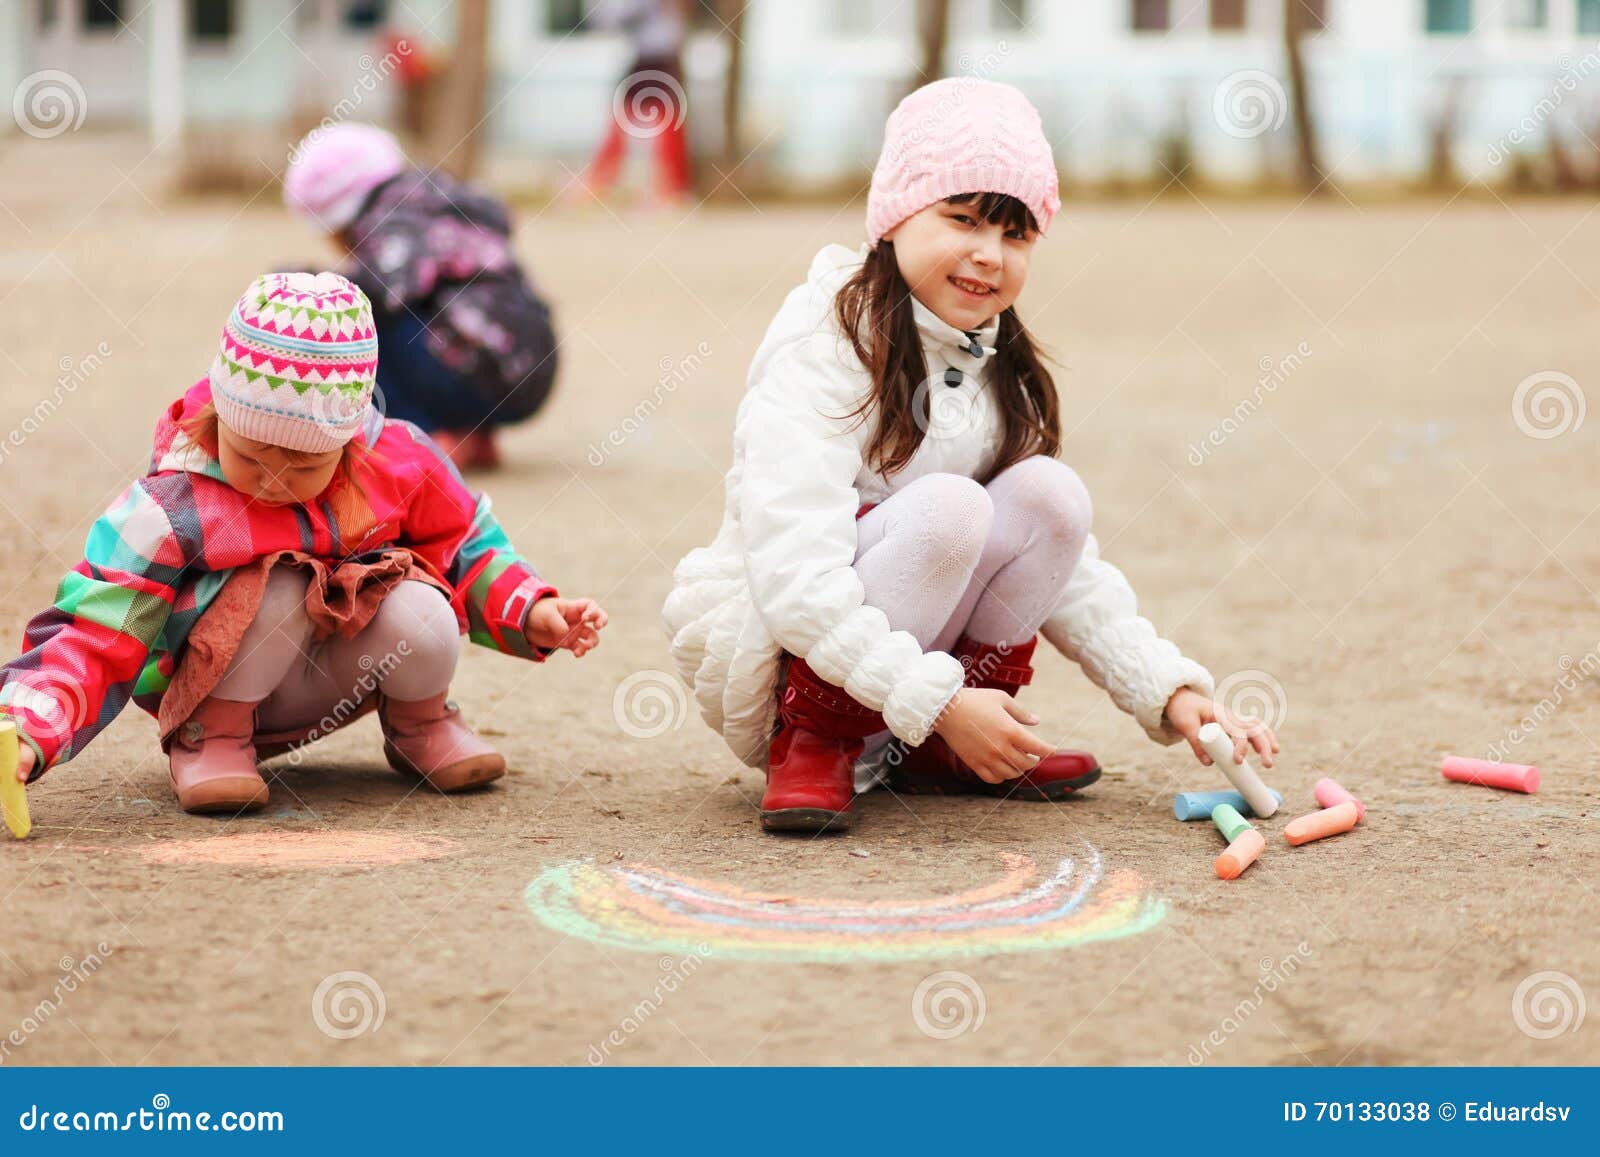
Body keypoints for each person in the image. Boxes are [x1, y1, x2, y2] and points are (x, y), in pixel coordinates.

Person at [662, 79, 1278, 834]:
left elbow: (1064, 569)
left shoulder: (989, 359)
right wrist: (940, 701)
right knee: (950, 509)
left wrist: (1169, 689)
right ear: (895, 216)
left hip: (919, 694)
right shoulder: (824, 349)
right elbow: (794, 574)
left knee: (1052, 496)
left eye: (1016, 236)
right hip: (790, 663)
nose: (989, 255)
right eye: (963, 219)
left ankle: (941, 749)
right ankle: (819, 739)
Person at [0, 272, 606, 815]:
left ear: (347, 442)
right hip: (216, 682)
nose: (273, 481)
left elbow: (465, 542)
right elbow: (98, 622)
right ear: (222, 418)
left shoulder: (395, 464)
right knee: (281, 583)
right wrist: (28, 724)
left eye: (304, 465)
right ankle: (212, 738)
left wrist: (530, 607)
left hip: (336, 673)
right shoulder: (173, 506)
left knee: (420, 603)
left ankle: (421, 724)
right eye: (251, 456)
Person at [283, 123, 559, 470]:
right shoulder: (441, 204)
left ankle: (424, 435)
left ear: (340, 219)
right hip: (533, 371)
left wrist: (305, 286)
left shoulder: (395, 218)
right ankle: (472, 431)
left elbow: (375, 294)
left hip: (477, 373)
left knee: (355, 335)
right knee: (436, 315)